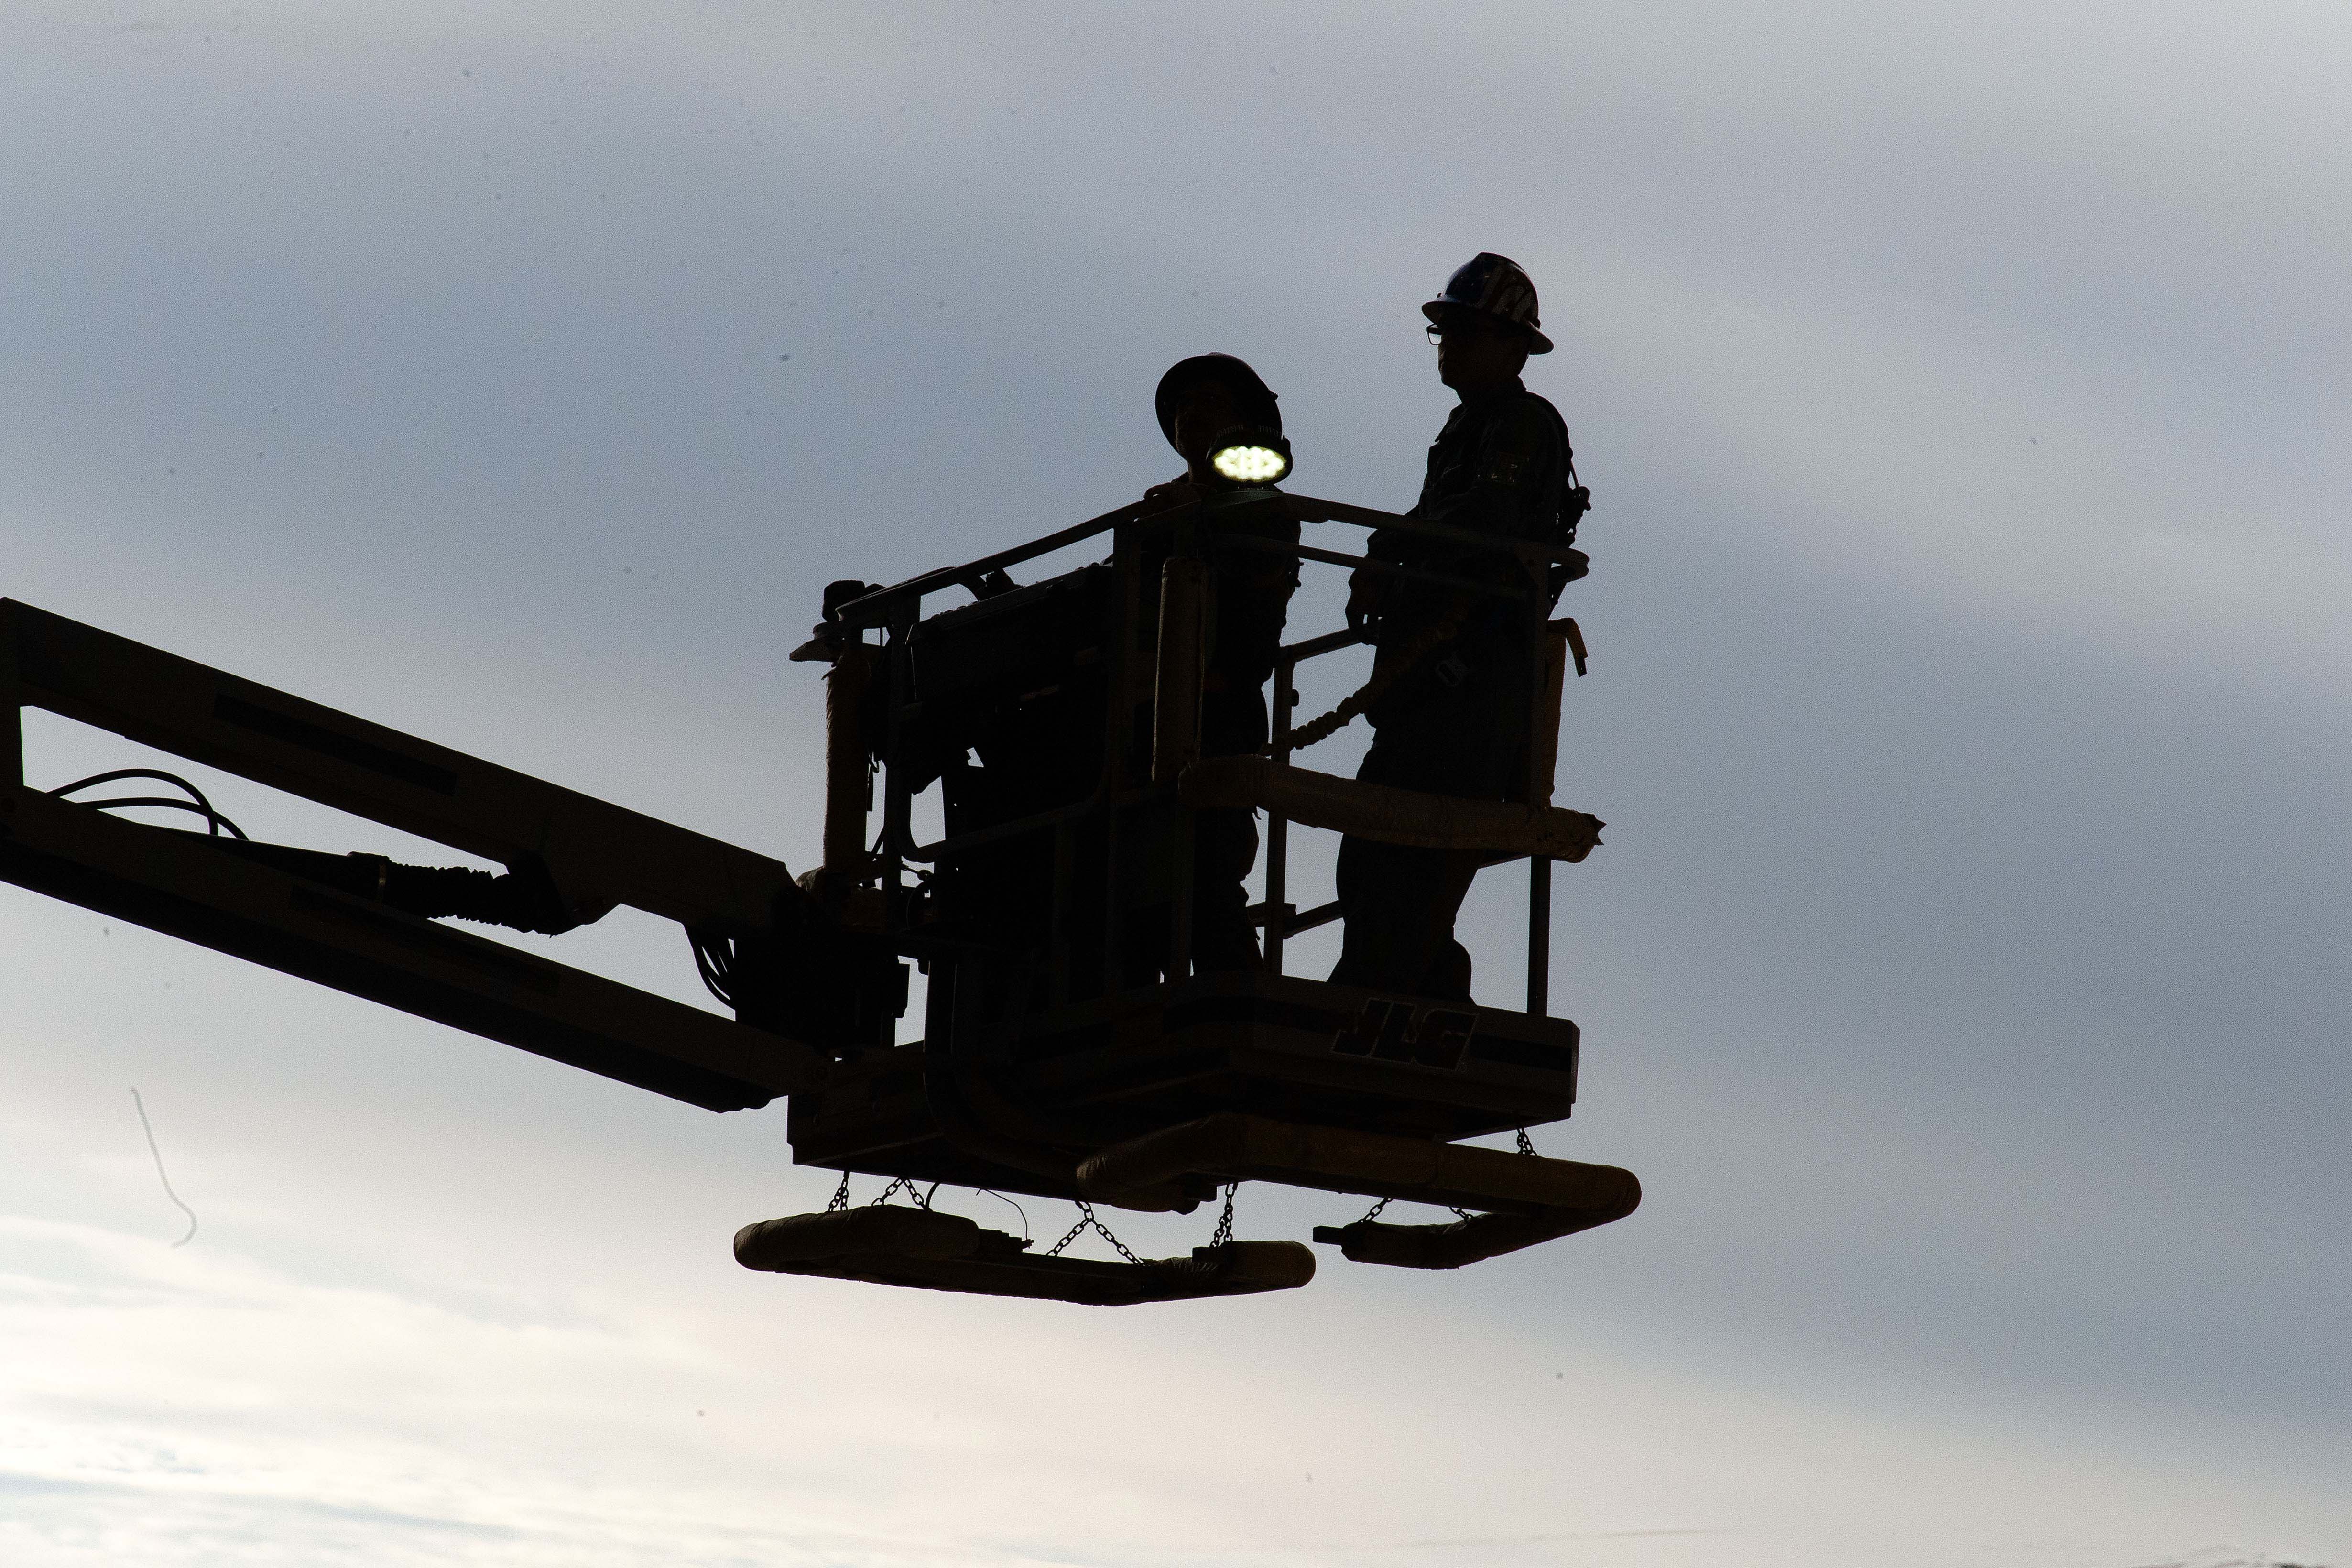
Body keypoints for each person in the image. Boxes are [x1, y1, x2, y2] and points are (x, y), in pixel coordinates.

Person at [1328, 254, 1584, 1001]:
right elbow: (1437, 519)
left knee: (1416, 855)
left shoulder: (1522, 426)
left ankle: (1400, 995)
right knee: (1372, 854)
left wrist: (1394, 554)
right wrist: (1382, 555)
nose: (1450, 345)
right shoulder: (1469, 426)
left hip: (1474, 682)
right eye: (1444, 332)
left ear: (1514, 346)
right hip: (1432, 680)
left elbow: (1482, 523)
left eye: (1468, 332)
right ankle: (1401, 987)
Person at [1124, 353, 1301, 975]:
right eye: (1180, 406)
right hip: (1142, 722)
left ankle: (1235, 1001)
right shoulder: (1159, 512)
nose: (1188, 414)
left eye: (1208, 402)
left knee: (1205, 884)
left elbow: (1251, 621)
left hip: (1218, 716)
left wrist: (1189, 521)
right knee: (1134, 892)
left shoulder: (1258, 505)